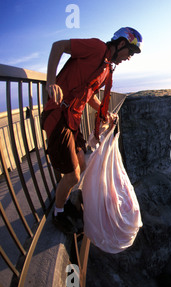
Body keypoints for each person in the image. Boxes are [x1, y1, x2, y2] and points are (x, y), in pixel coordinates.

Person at [41, 27, 143, 234]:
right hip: (58, 116)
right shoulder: (96, 48)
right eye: (130, 52)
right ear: (121, 44)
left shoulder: (105, 66)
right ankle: (58, 213)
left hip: (72, 120)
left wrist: (105, 114)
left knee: (81, 163)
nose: (129, 58)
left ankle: (65, 202)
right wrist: (51, 83)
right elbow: (58, 45)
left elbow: (89, 97)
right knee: (72, 176)